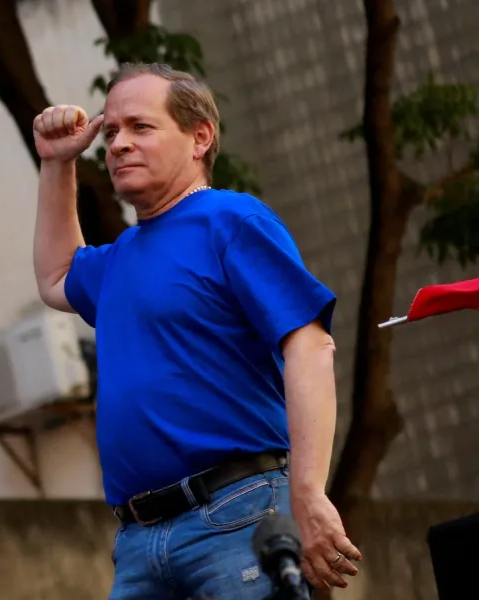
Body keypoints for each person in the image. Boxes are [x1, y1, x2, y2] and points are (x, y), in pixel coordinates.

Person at [31, 63, 363, 599]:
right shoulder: (118, 259)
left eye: (141, 127)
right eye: (110, 132)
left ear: (199, 137)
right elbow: (56, 277)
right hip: (138, 542)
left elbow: (310, 345)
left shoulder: (231, 220)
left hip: (237, 512)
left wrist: (308, 492)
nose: (117, 144)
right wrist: (56, 164)